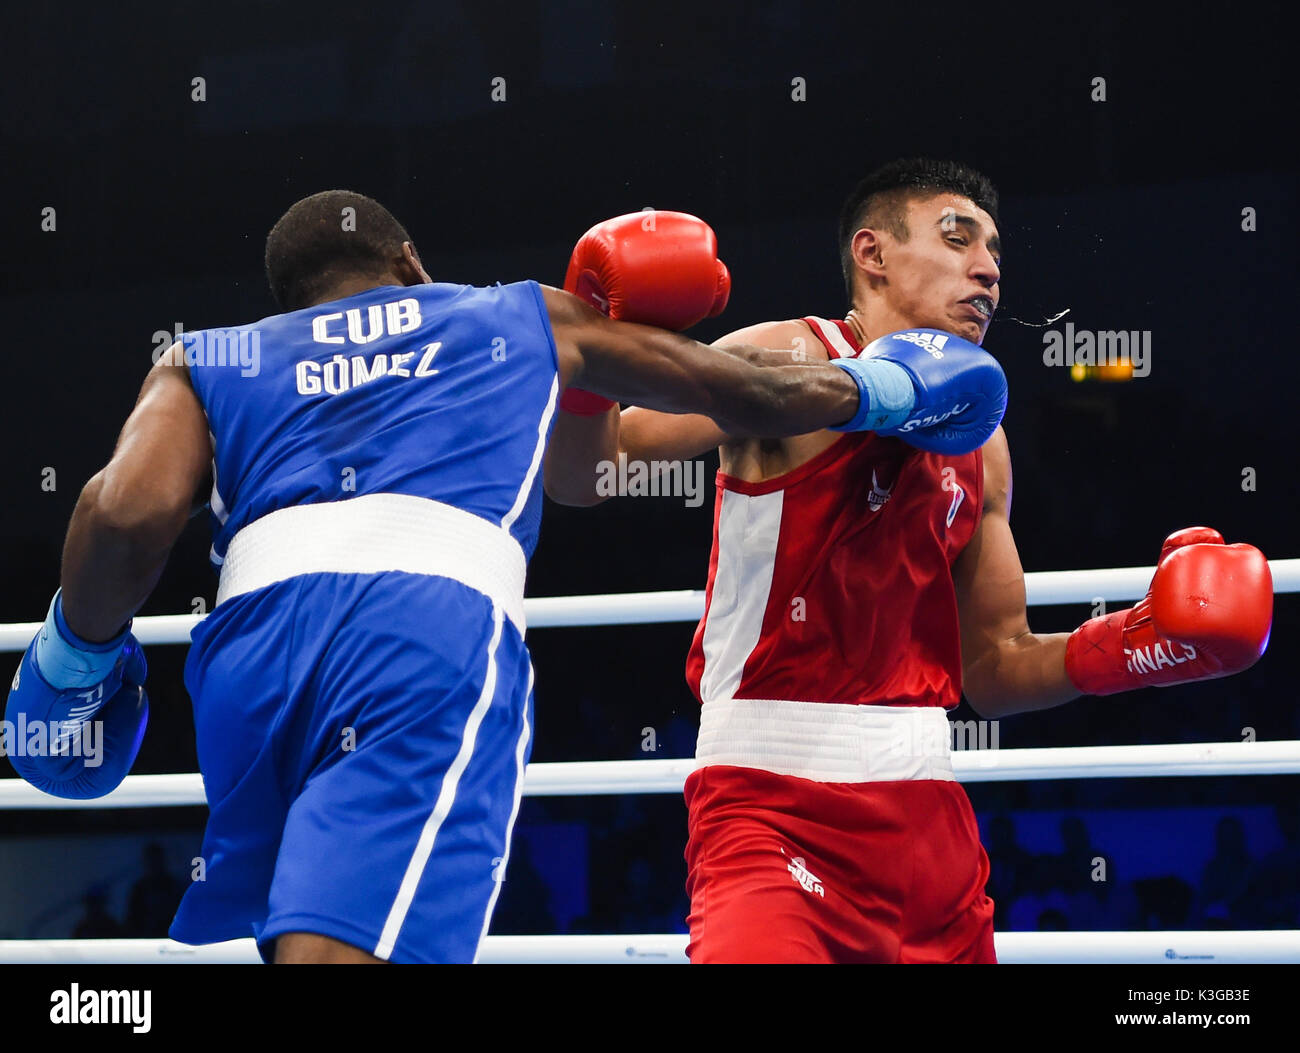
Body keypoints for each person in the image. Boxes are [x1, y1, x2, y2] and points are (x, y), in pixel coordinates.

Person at [3, 189, 1007, 964]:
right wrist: (880, 389)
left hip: (249, 654)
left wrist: (71, 655)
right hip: (416, 636)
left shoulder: (210, 355)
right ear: (410, 263)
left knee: (308, 926)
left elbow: (124, 512)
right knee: (358, 937)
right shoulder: (507, 315)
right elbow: (731, 389)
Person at [543, 158, 1274, 963]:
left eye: (996, 251)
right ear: (872, 254)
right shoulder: (787, 354)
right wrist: (593, 336)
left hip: (928, 826)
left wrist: (1140, 648)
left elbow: (993, 666)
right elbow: (588, 473)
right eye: (958, 238)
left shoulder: (982, 441)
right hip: (768, 808)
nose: (989, 270)